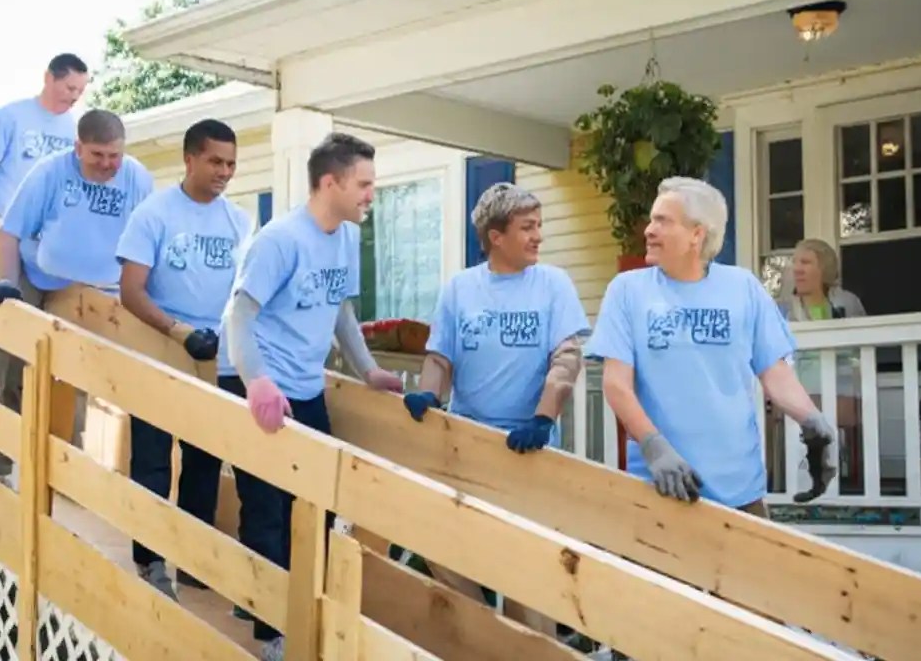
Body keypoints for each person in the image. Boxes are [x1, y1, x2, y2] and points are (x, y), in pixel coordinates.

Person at [222, 131, 403, 661]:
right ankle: (269, 635)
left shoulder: (345, 236)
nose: (372, 193)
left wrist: (367, 370)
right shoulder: (280, 240)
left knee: (320, 509)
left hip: (305, 385)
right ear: (331, 182)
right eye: (364, 183)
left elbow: (340, 309)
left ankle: (289, 610)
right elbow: (240, 315)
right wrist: (255, 380)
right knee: (268, 509)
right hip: (259, 380)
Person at [585, 177, 837, 516]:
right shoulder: (628, 291)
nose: (648, 229)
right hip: (660, 486)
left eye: (663, 221)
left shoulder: (743, 287)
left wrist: (813, 422)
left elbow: (775, 373)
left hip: (740, 490)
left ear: (697, 234)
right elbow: (616, 384)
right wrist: (654, 447)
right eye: (652, 219)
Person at [400, 181, 588, 634]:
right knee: (440, 542)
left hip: (531, 444)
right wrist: (429, 394)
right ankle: (484, 636)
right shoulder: (461, 289)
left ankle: (532, 649)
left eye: (539, 225)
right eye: (528, 227)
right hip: (468, 442)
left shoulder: (553, 284)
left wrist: (543, 417)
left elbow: (567, 358)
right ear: (495, 236)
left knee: (530, 565)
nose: (538, 236)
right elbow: (440, 357)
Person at [0, 109, 152, 478]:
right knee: (7, 361)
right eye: (97, 155)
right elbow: (9, 234)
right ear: (78, 148)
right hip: (37, 274)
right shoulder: (49, 172)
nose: (106, 165)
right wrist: (7, 282)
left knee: (78, 374)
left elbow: (148, 245)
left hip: (98, 287)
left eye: (114, 156)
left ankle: (65, 470)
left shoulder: (136, 178)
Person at [115, 119, 250, 600]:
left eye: (231, 163)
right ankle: (150, 561)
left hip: (218, 357)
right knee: (152, 459)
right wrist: (178, 331)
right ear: (189, 159)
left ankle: (194, 562)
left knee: (204, 461)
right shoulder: (153, 214)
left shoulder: (239, 221)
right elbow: (130, 291)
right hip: (161, 347)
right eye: (215, 161)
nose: (224, 172)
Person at [0, 53, 86, 470]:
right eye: (69, 88)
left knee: (36, 354)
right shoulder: (12, 117)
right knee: (2, 347)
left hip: (47, 247)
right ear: (49, 78)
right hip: (2, 238)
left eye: (81, 92)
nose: (74, 97)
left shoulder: (73, 132)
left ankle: (27, 449)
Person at [775, 238, 867, 492]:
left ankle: (840, 480)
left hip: (842, 384)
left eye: (806, 262)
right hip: (798, 384)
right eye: (795, 263)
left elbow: (861, 347)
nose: (797, 269)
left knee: (842, 402)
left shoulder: (847, 303)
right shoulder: (782, 307)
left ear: (824, 269)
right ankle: (800, 480)